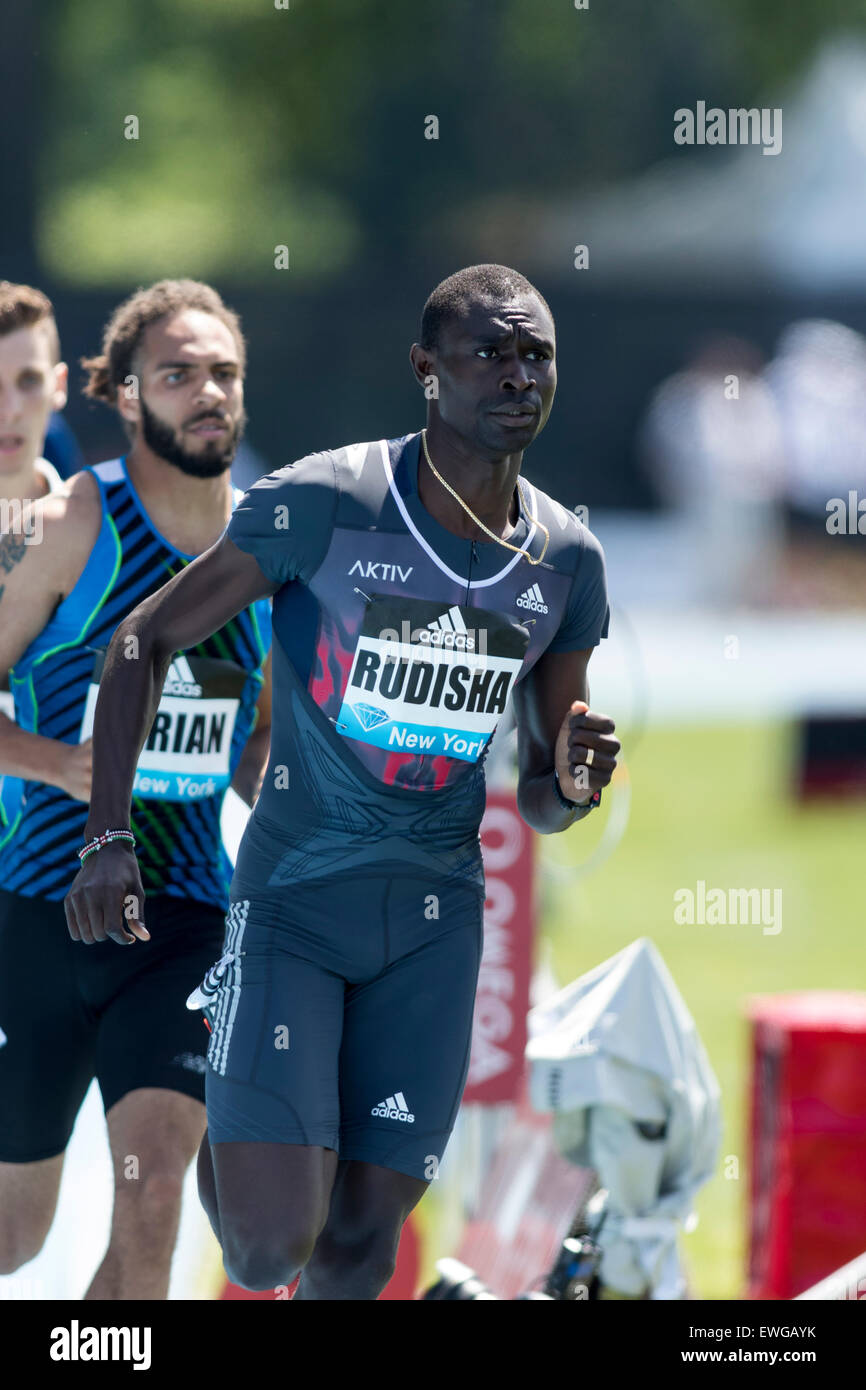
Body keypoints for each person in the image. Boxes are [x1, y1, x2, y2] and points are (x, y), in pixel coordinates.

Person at [64, 263, 620, 1300]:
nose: (516, 375)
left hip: (435, 922)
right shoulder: (325, 502)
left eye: (534, 354)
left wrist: (574, 781)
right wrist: (108, 837)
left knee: (358, 1255)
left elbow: (542, 795)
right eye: (488, 353)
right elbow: (139, 644)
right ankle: (234, 1041)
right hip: (296, 906)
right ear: (425, 369)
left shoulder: (565, 560)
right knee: (270, 1247)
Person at [0, 279, 272, 1299]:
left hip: (190, 917)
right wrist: (59, 765)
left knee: (154, 1192)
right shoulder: (75, 524)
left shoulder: (266, 545)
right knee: (16, 1233)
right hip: (39, 907)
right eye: (177, 375)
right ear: (124, 396)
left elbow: (260, 745)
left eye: (223, 373)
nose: (206, 393)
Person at [0, 283, 67, 849]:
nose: (9, 410)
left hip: (59, 875)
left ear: (59, 386)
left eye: (28, 381)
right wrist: (63, 766)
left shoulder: (108, 539)